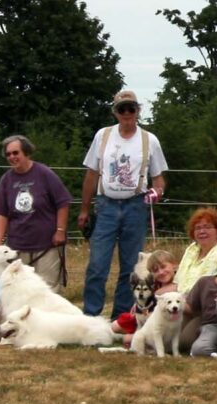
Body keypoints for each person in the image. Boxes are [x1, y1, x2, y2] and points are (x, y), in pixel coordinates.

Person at [78, 89, 171, 318]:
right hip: (105, 206)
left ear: (138, 111)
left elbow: (158, 178)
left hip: (136, 206)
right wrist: (84, 209)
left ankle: (121, 318)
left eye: (131, 108)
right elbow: (91, 174)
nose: (127, 113)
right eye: (122, 109)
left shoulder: (150, 140)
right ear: (115, 112)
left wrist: (157, 192)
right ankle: (90, 316)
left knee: (130, 267)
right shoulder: (103, 136)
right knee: (97, 265)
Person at [0, 134, 72, 290]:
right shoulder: (6, 180)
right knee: (20, 289)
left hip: (47, 244)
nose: (12, 157)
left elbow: (63, 202)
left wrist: (60, 230)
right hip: (18, 246)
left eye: (15, 153)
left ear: (26, 152)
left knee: (47, 289)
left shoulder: (44, 173)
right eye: (8, 154)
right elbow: (1, 212)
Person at [173, 208, 217, 284]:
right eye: (198, 228)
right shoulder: (192, 249)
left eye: (207, 227)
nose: (202, 231)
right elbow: (177, 282)